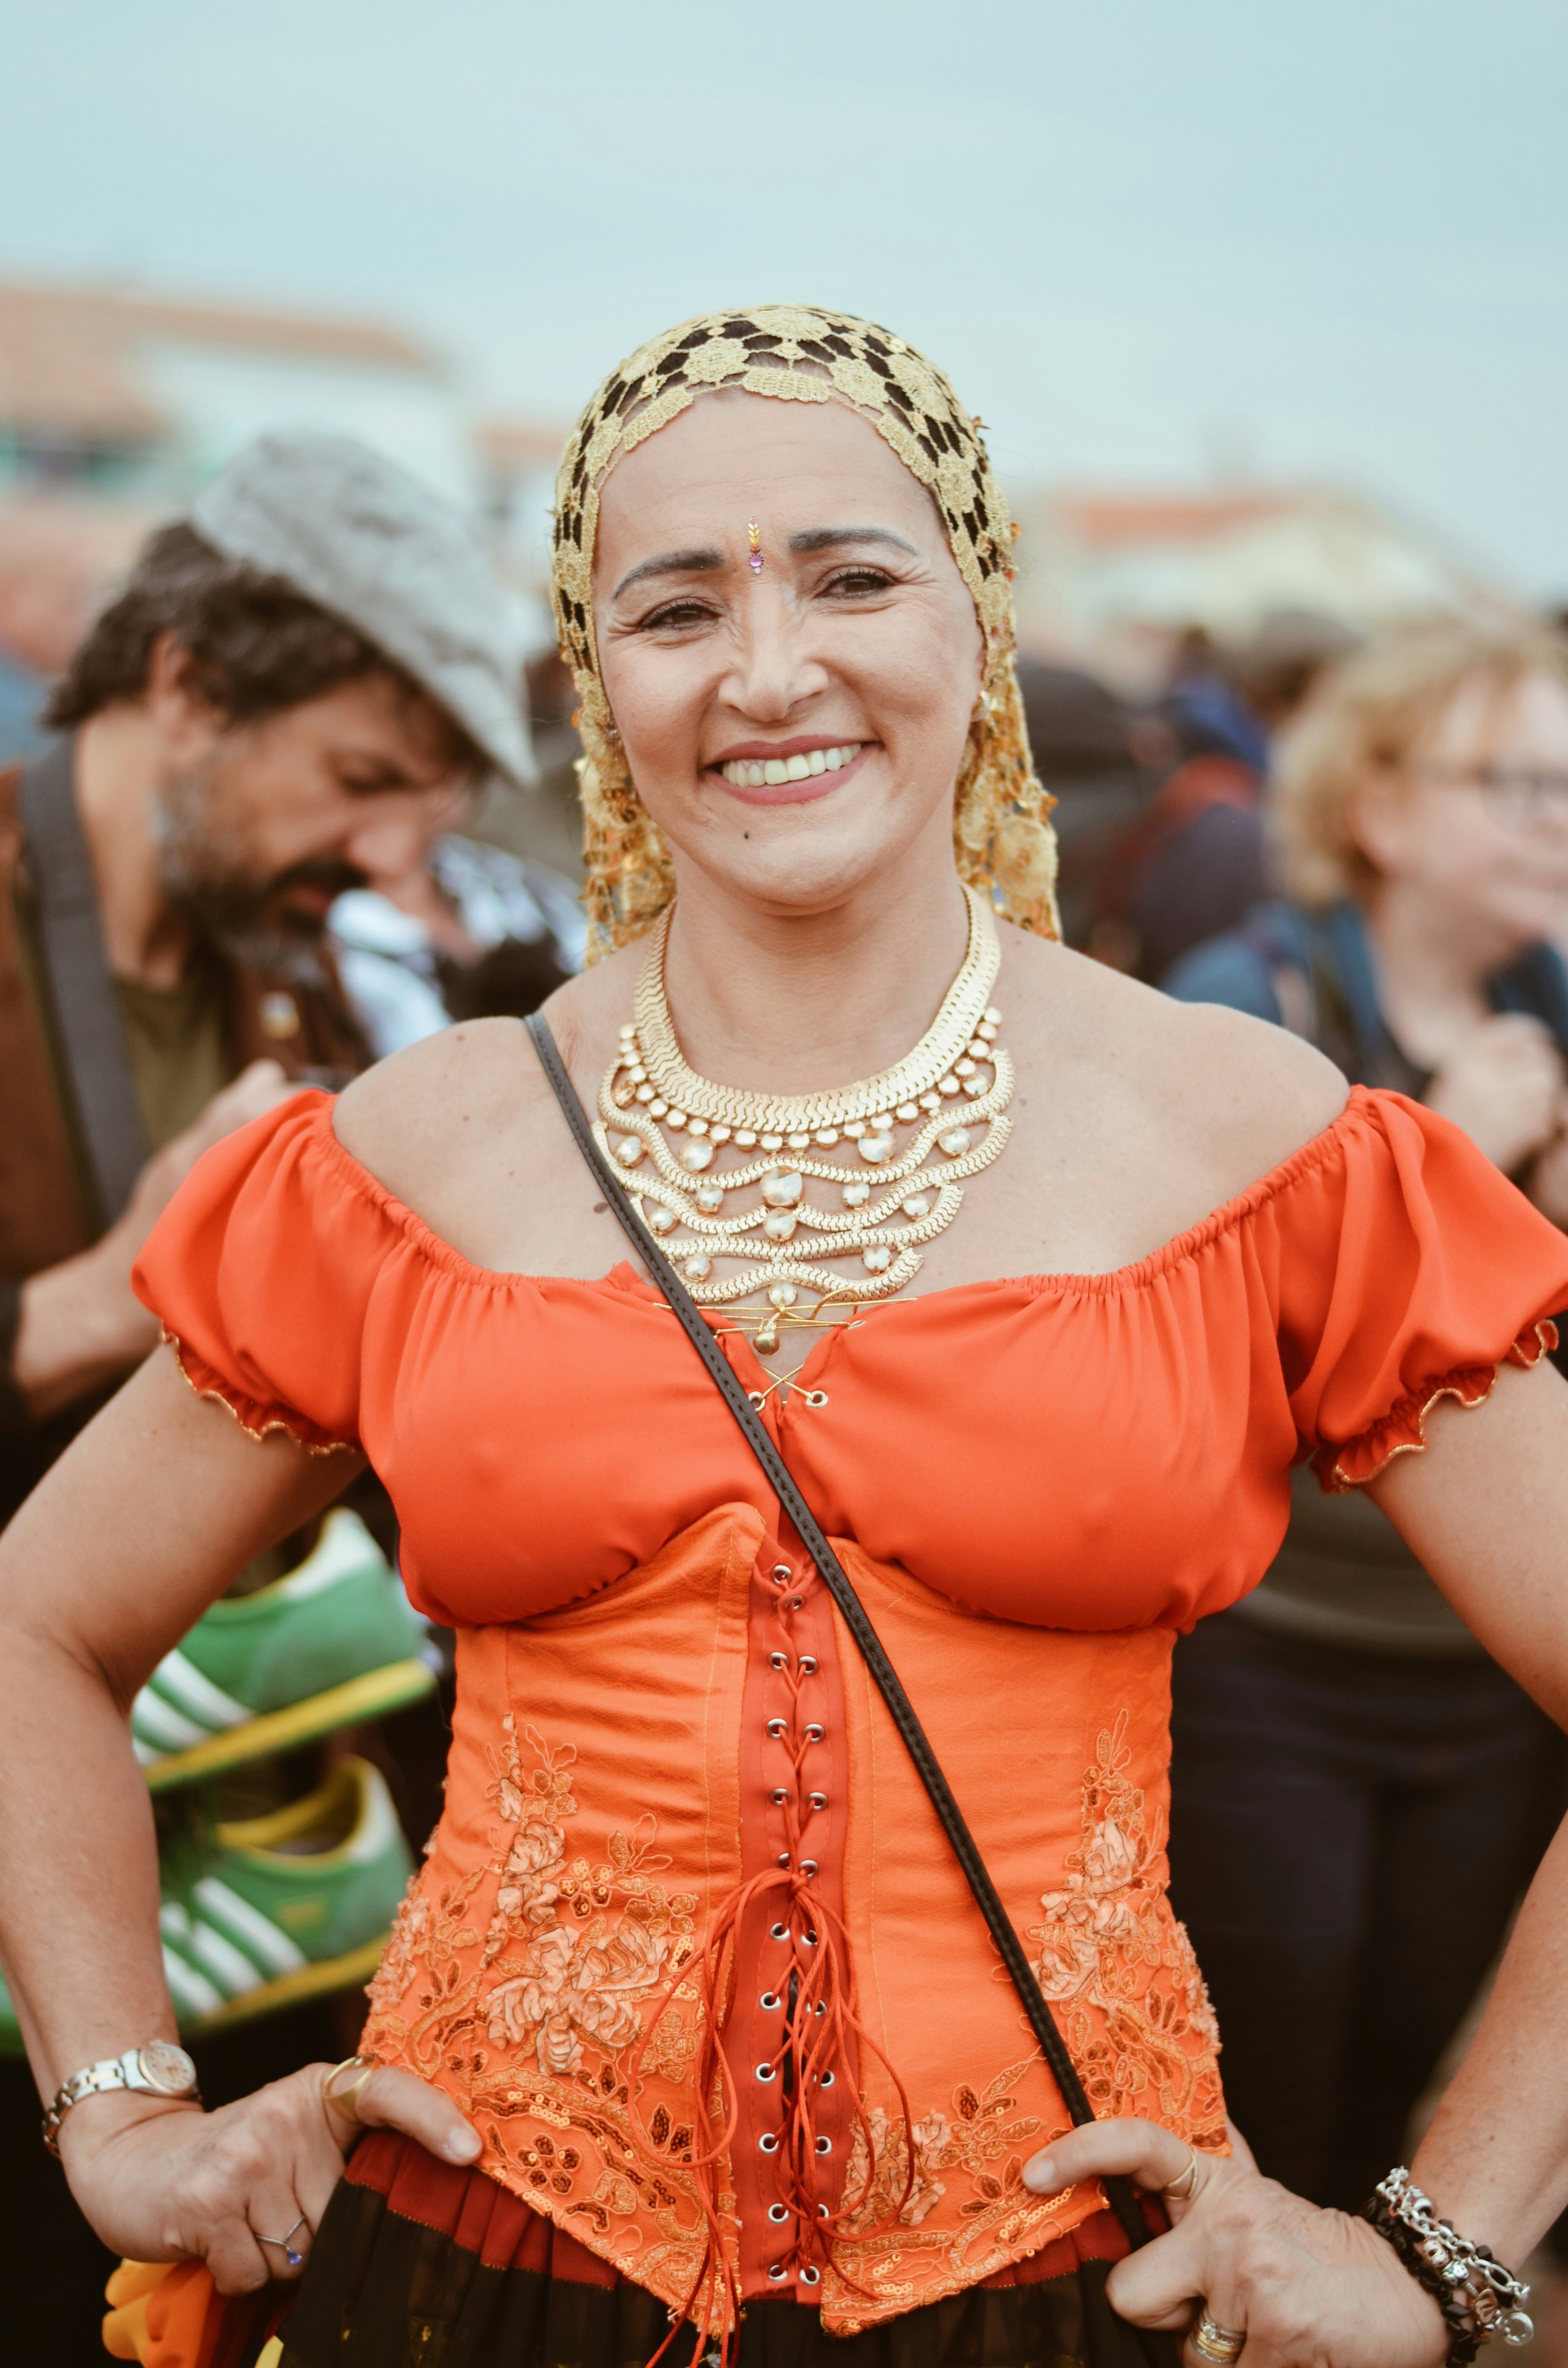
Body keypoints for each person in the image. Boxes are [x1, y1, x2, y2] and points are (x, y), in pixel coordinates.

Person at [1, 308, 1567, 2368]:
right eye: (676, 606)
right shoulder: (413, 1146)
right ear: (600, 677)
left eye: (850, 574)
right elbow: (40, 1618)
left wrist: (1437, 2242)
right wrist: (124, 2104)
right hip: (471, 2276)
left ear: (980, 613)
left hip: (1058, 2290)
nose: (767, 670)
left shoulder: (1251, 1139)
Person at [0, 427, 533, 2363]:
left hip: (215, 1872)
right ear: (185, 679)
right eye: (363, 777)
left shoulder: (291, 978)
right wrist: (89, 1293)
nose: (395, 854)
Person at [1161, 621, 1568, 2210]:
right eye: (1519, 782)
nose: (1559, 818)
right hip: (1278, 1657)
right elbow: (1192, 1364)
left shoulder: (1552, 997)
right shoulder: (1244, 1003)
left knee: (1408, 2075)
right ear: (1381, 810)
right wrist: (1453, 1168)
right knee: (1259, 2073)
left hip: (1486, 1668)